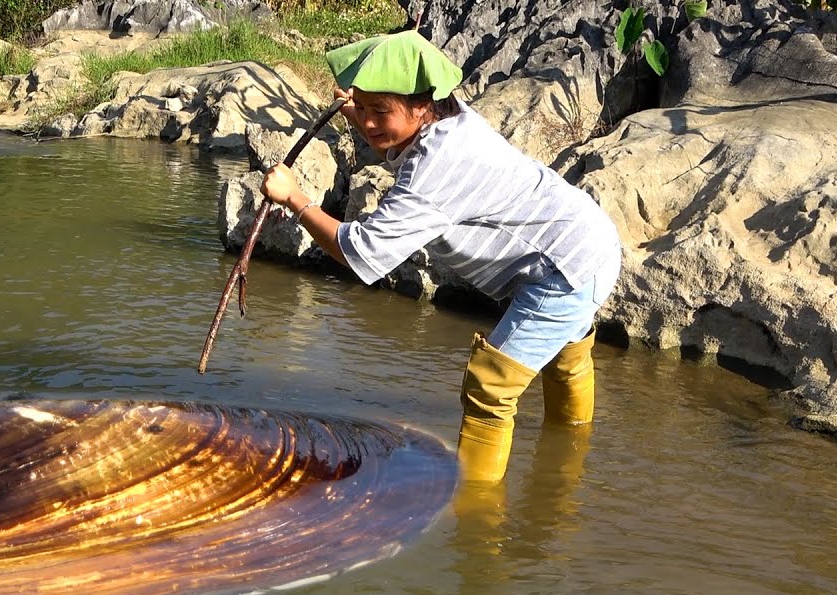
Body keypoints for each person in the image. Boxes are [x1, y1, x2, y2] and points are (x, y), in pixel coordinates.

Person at [261, 30, 622, 487]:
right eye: (363, 107)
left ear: (419, 107)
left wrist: (296, 199)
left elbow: (359, 254)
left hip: (564, 269)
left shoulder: (436, 169)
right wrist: (364, 114)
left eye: (381, 111)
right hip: (587, 240)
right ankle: (569, 460)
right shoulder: (452, 116)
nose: (369, 123)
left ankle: (473, 514)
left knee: (490, 387)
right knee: (565, 355)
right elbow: (398, 136)